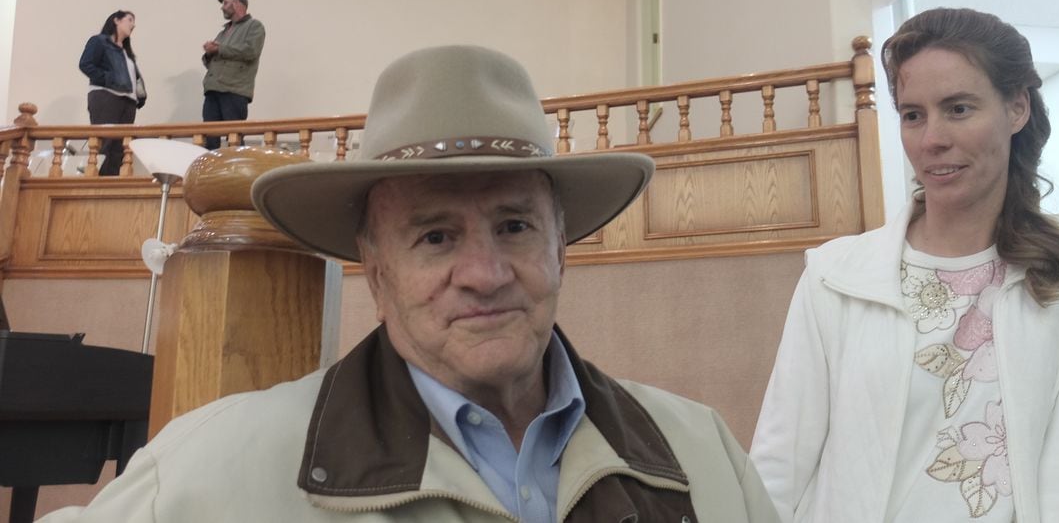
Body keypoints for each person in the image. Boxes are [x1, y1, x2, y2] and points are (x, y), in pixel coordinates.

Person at [39, 45, 778, 522]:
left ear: (563, 247)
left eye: (516, 226)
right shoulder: (214, 474)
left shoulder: (702, 457)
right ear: (377, 269)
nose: (485, 274)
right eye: (435, 237)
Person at [749, 8, 1059, 523]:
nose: (931, 139)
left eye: (958, 108)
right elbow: (778, 469)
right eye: (913, 114)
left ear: (1016, 108)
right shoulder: (835, 274)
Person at [77, 10, 147, 176]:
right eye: (129, 19)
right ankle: (96, 183)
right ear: (116, 20)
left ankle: (111, 183)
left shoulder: (126, 52)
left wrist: (140, 95)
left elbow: (133, 78)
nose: (133, 24)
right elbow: (85, 64)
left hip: (128, 102)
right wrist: (108, 79)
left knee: (121, 147)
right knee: (105, 143)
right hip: (106, 97)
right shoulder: (99, 41)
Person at [201, 0, 265, 149]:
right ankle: (211, 172)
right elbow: (215, 60)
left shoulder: (254, 26)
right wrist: (209, 53)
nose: (222, 8)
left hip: (234, 91)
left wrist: (219, 49)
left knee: (234, 139)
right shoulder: (223, 32)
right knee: (209, 139)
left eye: (225, 3)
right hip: (213, 90)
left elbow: (251, 51)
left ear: (237, 4)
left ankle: (235, 172)